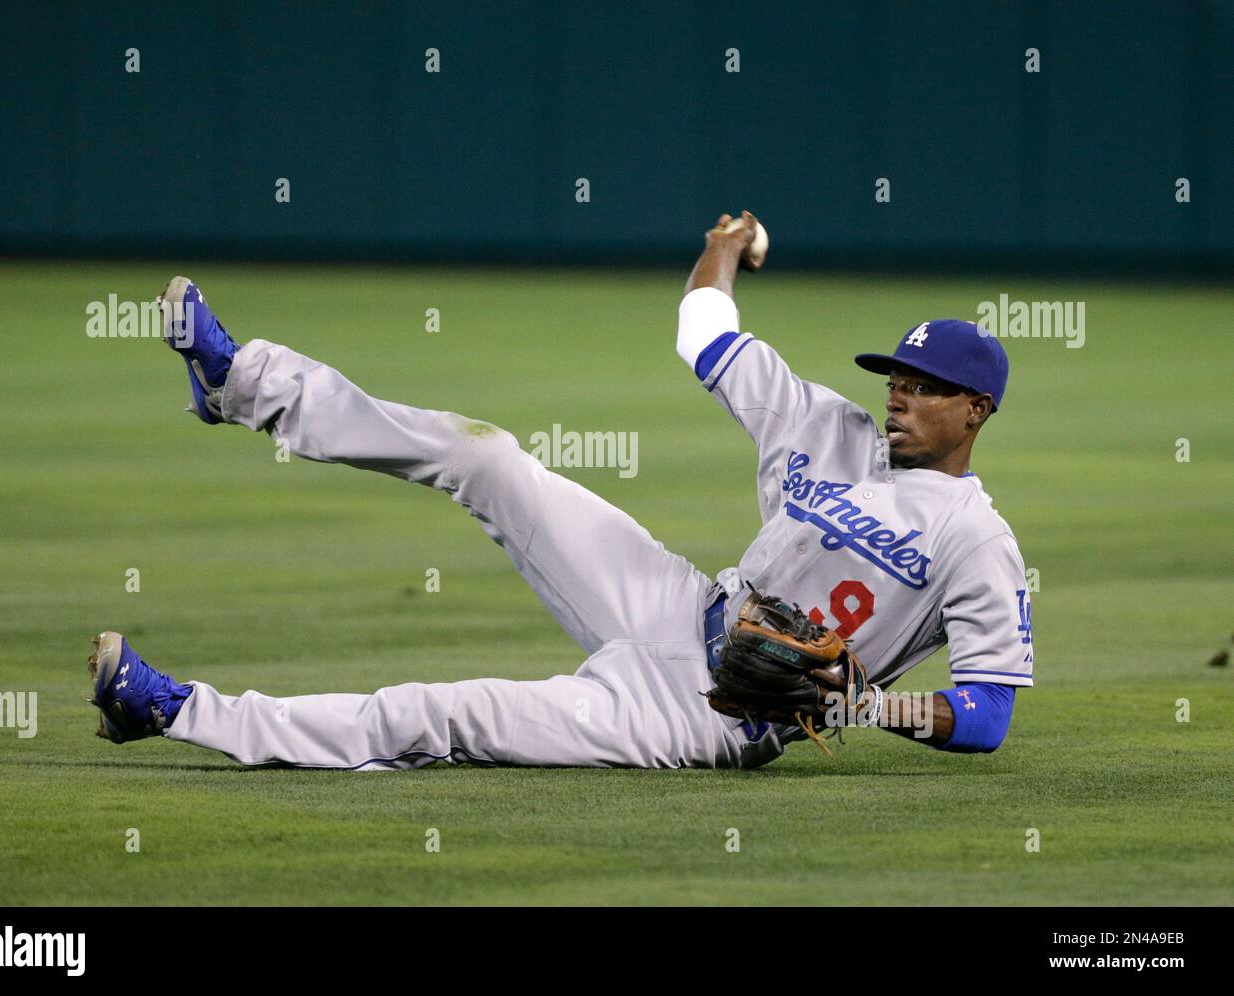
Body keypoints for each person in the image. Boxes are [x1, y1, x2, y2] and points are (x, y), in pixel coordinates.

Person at [86, 212, 1032, 770]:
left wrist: (862, 706)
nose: (900, 397)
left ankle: (174, 710)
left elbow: (986, 717)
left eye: (926, 388)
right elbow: (703, 327)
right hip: (677, 601)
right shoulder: (828, 425)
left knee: (444, 713)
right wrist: (724, 243)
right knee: (490, 456)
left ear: (976, 410)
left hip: (706, 717)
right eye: (897, 379)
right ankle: (242, 383)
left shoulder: (976, 541)